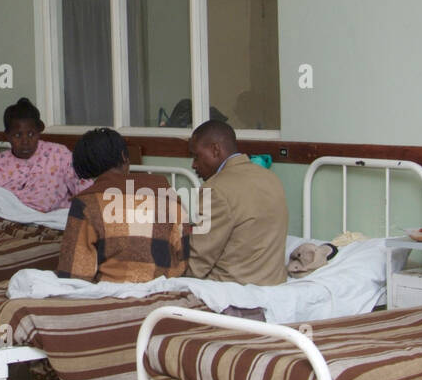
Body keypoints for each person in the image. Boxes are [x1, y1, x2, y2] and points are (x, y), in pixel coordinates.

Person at [56, 128, 188, 283]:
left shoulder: (86, 204)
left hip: (111, 295)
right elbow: (184, 257)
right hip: (166, 292)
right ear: (125, 156)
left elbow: (74, 274)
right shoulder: (168, 195)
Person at [0, 98, 91, 242]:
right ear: (7, 136)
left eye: (31, 134)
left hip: (53, 219)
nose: (25, 141)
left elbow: (84, 190)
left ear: (39, 131)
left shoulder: (59, 155)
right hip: (8, 219)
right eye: (17, 135)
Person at [186, 120, 288, 285]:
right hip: (274, 282)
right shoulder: (270, 177)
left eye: (196, 156)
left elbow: (199, 260)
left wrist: (171, 279)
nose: (194, 165)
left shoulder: (215, 189)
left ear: (215, 150)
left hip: (233, 286)